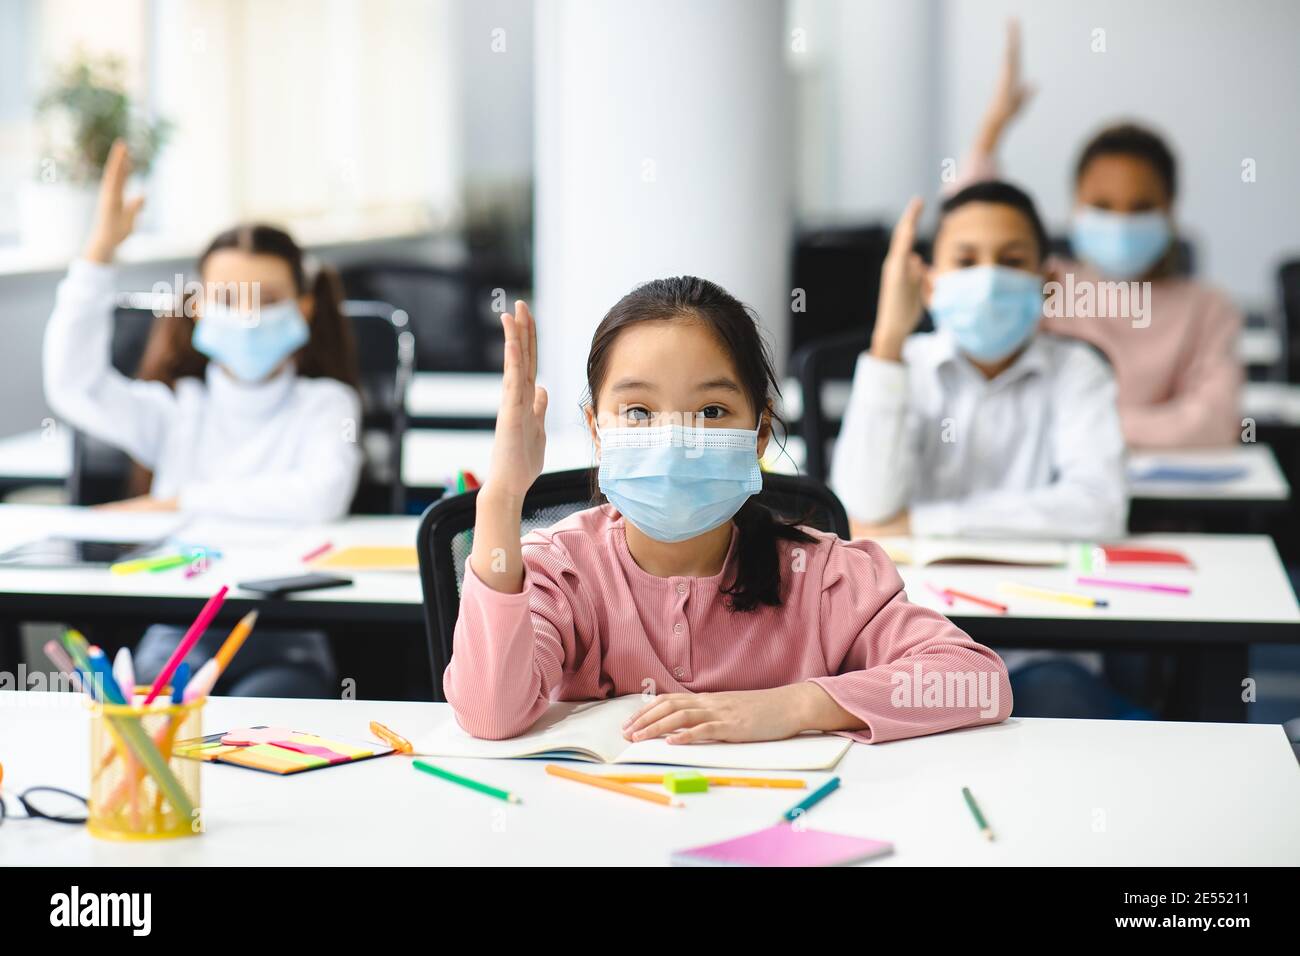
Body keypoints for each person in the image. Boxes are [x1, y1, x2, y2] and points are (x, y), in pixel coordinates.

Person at [445, 278, 1011, 743]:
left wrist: (795, 706)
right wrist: (501, 496)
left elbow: (976, 684)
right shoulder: (561, 571)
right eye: (638, 411)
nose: (674, 439)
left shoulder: (826, 578)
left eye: (712, 410)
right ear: (597, 430)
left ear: (759, 433)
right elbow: (490, 713)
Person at [43, 140, 363, 696]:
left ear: (305, 305)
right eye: (228, 297)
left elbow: (320, 495)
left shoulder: (325, 404)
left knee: (261, 724)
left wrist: (180, 500)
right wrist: (97, 254)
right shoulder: (176, 409)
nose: (246, 316)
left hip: (283, 639)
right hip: (175, 636)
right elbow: (74, 386)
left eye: (266, 298)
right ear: (198, 305)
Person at [830, 181, 1134, 719]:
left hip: (1041, 647)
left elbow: (1098, 506)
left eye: (1011, 260)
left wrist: (923, 523)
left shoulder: (1078, 370)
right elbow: (864, 511)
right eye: (965, 260)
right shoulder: (905, 366)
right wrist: (888, 340)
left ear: (1046, 282)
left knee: (1060, 718)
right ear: (929, 284)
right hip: (905, 644)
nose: (988, 278)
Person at [958, 20, 1243, 448]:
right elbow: (971, 231)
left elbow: (1214, 425)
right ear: (1075, 208)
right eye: (1103, 206)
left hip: (1165, 506)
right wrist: (991, 130)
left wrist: (1081, 426)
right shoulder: (1047, 287)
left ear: (1170, 213)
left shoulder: (1208, 309)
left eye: (1142, 207)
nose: (1122, 222)